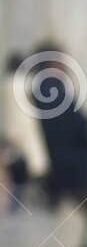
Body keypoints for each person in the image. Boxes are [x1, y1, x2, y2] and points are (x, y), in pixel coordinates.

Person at [27, 45, 87, 209]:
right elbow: (73, 125)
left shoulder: (44, 88)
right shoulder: (51, 89)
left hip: (61, 165)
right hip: (67, 166)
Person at [3, 52, 51, 212]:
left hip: (9, 132)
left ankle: (17, 201)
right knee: (33, 166)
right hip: (26, 129)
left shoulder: (4, 84)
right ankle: (37, 198)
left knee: (15, 168)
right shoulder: (24, 82)